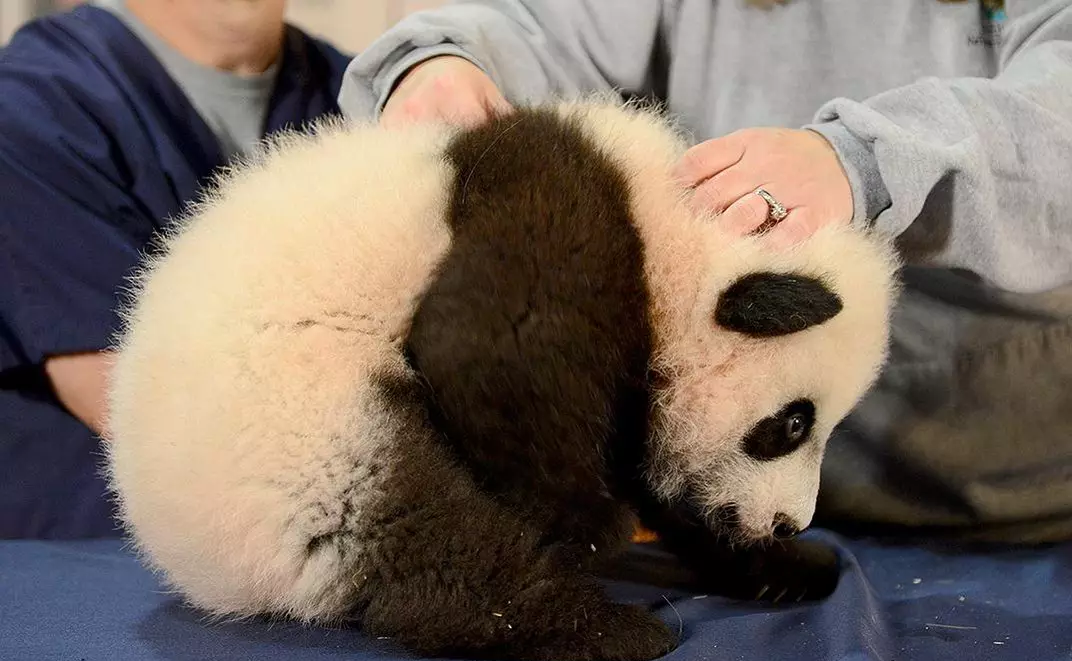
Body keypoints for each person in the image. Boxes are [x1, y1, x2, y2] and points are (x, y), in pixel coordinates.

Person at [337, 0, 1072, 543]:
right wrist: (440, 60)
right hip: (730, 497)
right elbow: (537, 21)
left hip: (1015, 485)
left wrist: (865, 159)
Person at [0, 0, 351, 538]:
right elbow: (146, 409)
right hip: (93, 569)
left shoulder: (361, 95)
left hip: (336, 546)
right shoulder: (35, 106)